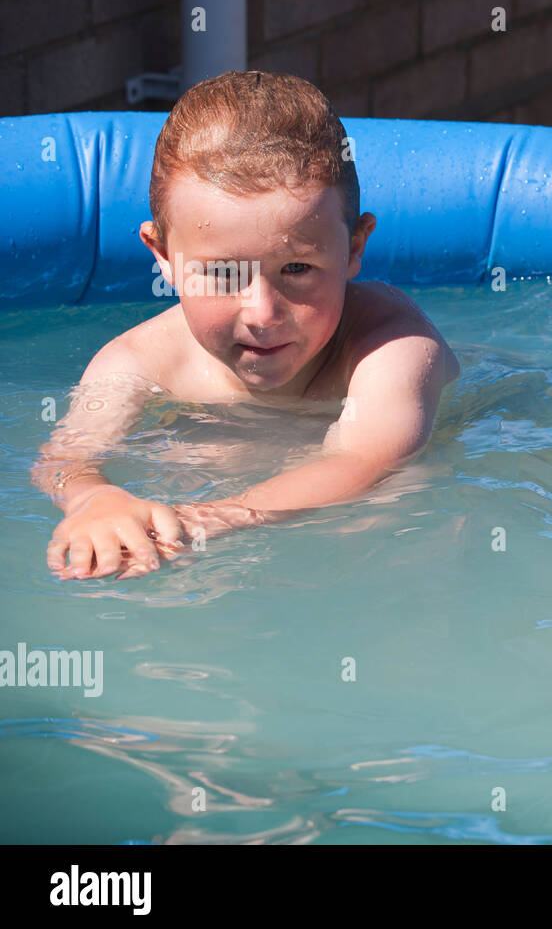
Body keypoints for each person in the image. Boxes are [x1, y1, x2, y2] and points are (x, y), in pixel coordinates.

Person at [32, 71, 459, 580]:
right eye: (224, 273)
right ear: (163, 257)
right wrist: (94, 498)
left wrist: (198, 521)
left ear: (355, 248)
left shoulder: (391, 344)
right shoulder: (141, 360)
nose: (262, 313)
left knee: (397, 499)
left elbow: (364, 462)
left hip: (376, 536)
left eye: (297, 269)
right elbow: (64, 458)